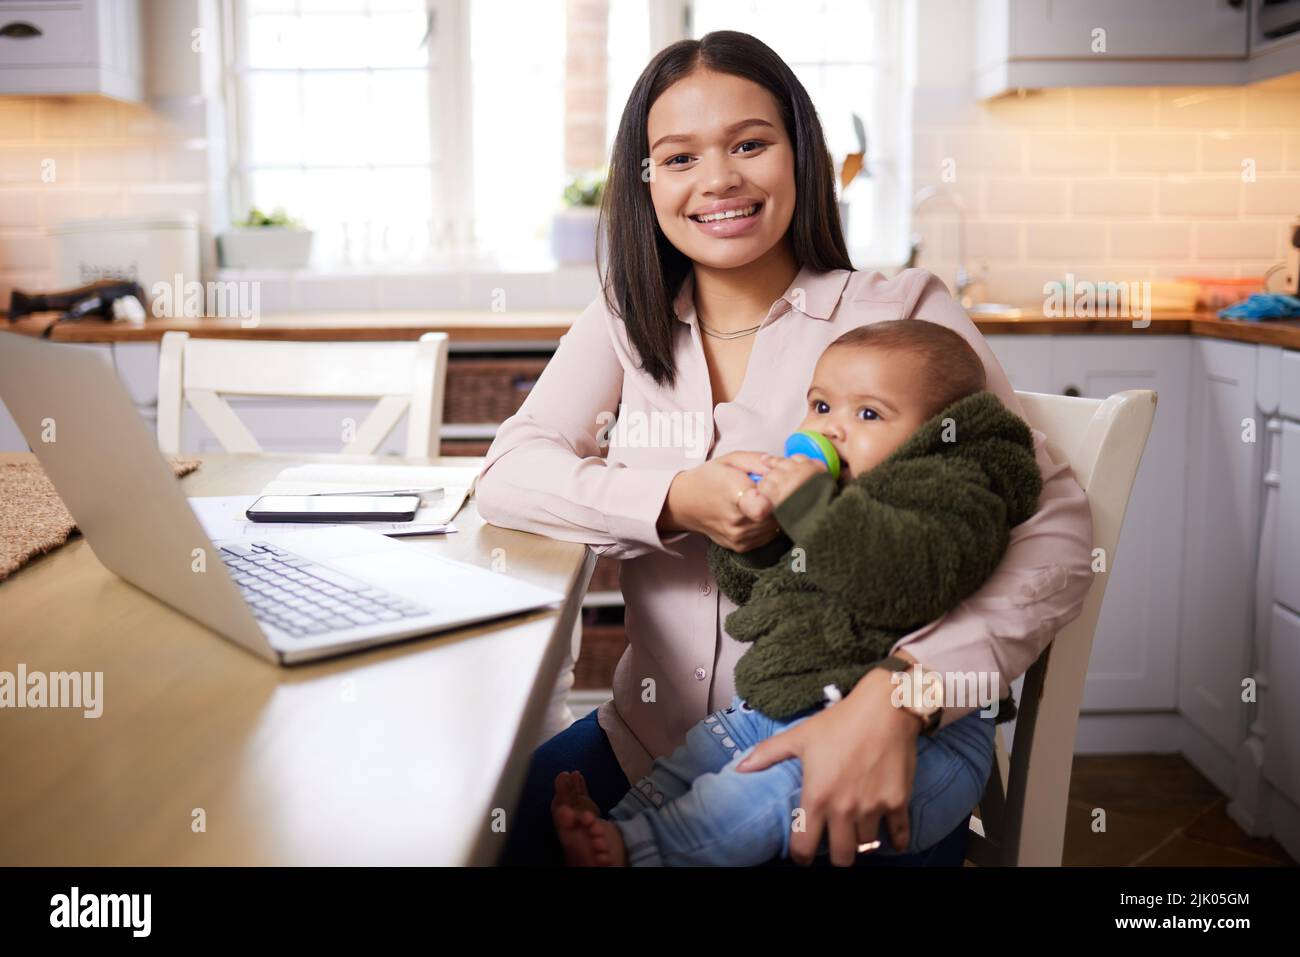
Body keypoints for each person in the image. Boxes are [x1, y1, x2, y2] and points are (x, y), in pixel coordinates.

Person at [476, 30, 1094, 867]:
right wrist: (672, 499)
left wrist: (905, 694)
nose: (720, 179)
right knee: (483, 831)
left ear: (800, 155)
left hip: (865, 738)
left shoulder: (903, 315)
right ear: (647, 181)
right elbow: (509, 473)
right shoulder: (626, 320)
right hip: (654, 745)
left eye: (750, 144)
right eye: (680, 156)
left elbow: (1054, 529)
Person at [551, 319, 1039, 866]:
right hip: (794, 700)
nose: (830, 429)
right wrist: (756, 537)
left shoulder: (953, 491)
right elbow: (766, 590)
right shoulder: (839, 492)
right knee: (702, 754)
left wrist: (811, 511)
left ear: (938, 430)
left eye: (869, 414)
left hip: (926, 744)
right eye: (821, 406)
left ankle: (641, 852)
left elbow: (908, 581)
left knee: (776, 789)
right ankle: (616, 827)